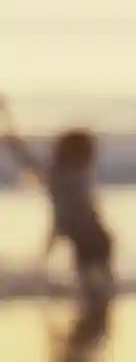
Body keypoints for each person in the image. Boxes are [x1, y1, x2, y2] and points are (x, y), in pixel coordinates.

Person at [0, 97, 115, 305]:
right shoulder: (71, 176)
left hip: (92, 241)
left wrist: (7, 117)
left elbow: (22, 154)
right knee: (96, 294)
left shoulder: (64, 177)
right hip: (93, 240)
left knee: (94, 293)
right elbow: (21, 153)